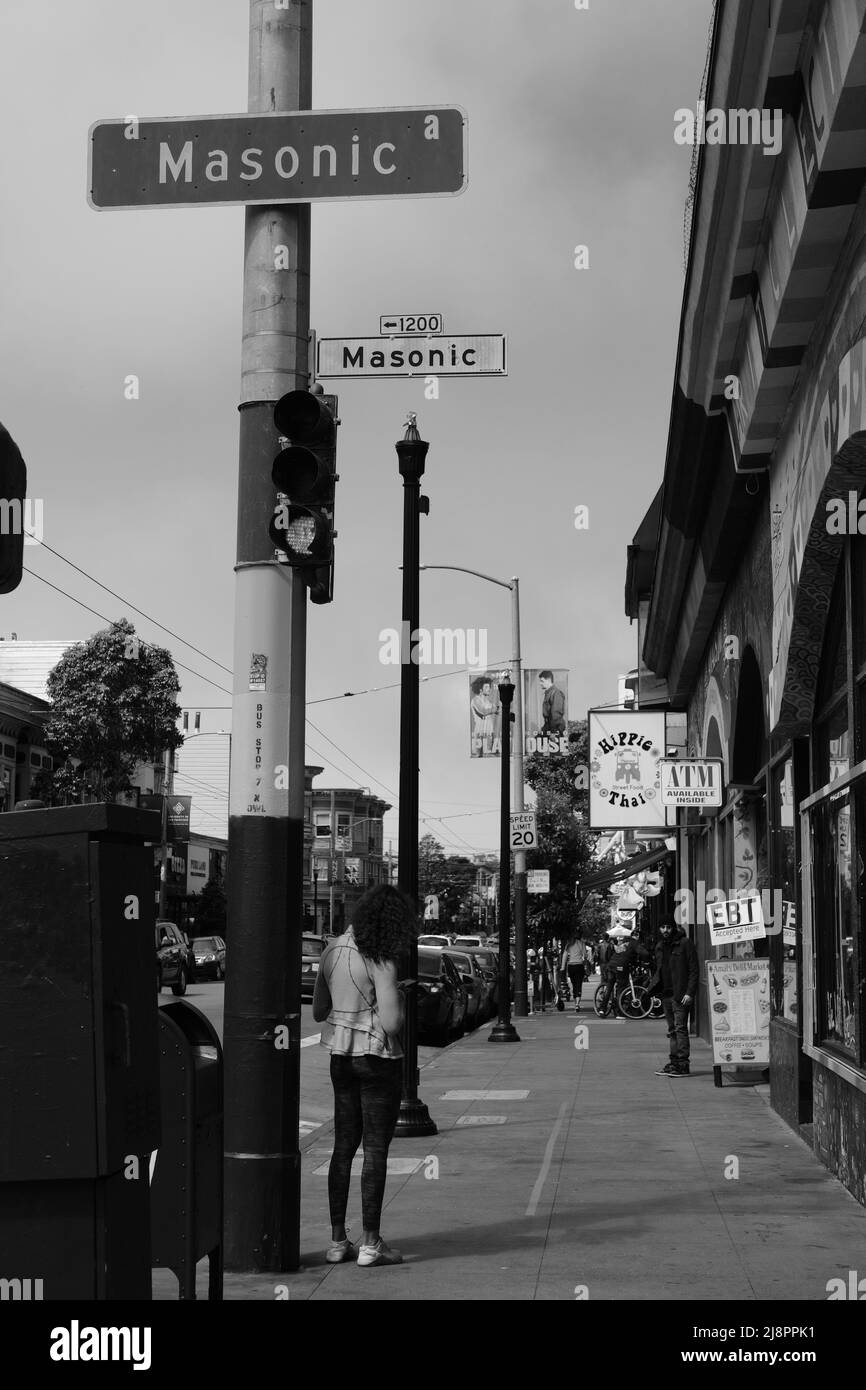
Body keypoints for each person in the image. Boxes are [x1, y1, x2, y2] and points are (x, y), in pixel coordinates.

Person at [312, 883, 417, 1266]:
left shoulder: (331, 950)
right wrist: (399, 995)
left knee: (343, 1148)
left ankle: (339, 1241)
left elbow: (319, 1012)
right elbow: (391, 1023)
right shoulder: (381, 956)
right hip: (376, 1059)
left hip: (340, 1057)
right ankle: (371, 1243)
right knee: (375, 1150)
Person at [649, 913, 699, 1076]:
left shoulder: (685, 944)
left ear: (673, 927)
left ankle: (683, 1064)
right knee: (672, 1030)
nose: (665, 930)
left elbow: (694, 970)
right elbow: (660, 970)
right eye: (663, 927)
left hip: (680, 995)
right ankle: (674, 1062)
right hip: (666, 995)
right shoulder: (659, 947)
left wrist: (690, 993)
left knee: (680, 1028)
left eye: (668, 927)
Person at [470, 677, 496, 756]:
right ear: (480, 689)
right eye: (486, 687)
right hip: (479, 731)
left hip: (489, 731)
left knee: (489, 753)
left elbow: (496, 710)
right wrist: (494, 709)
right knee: (478, 755)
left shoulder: (489, 702)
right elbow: (483, 711)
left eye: (489, 687)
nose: (489, 689)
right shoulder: (475, 700)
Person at [561, 932, 588, 1010]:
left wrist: (563, 967)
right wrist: (585, 963)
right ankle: (577, 1003)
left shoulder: (569, 944)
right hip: (579, 966)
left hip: (571, 966)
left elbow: (565, 955)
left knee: (574, 984)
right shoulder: (581, 943)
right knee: (579, 984)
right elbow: (585, 955)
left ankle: (575, 1001)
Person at [538, 670, 566, 736]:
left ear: (548, 680)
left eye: (542, 681)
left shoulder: (556, 693)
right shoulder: (549, 693)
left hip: (554, 730)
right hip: (549, 728)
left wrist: (554, 732)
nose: (540, 683)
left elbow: (556, 713)